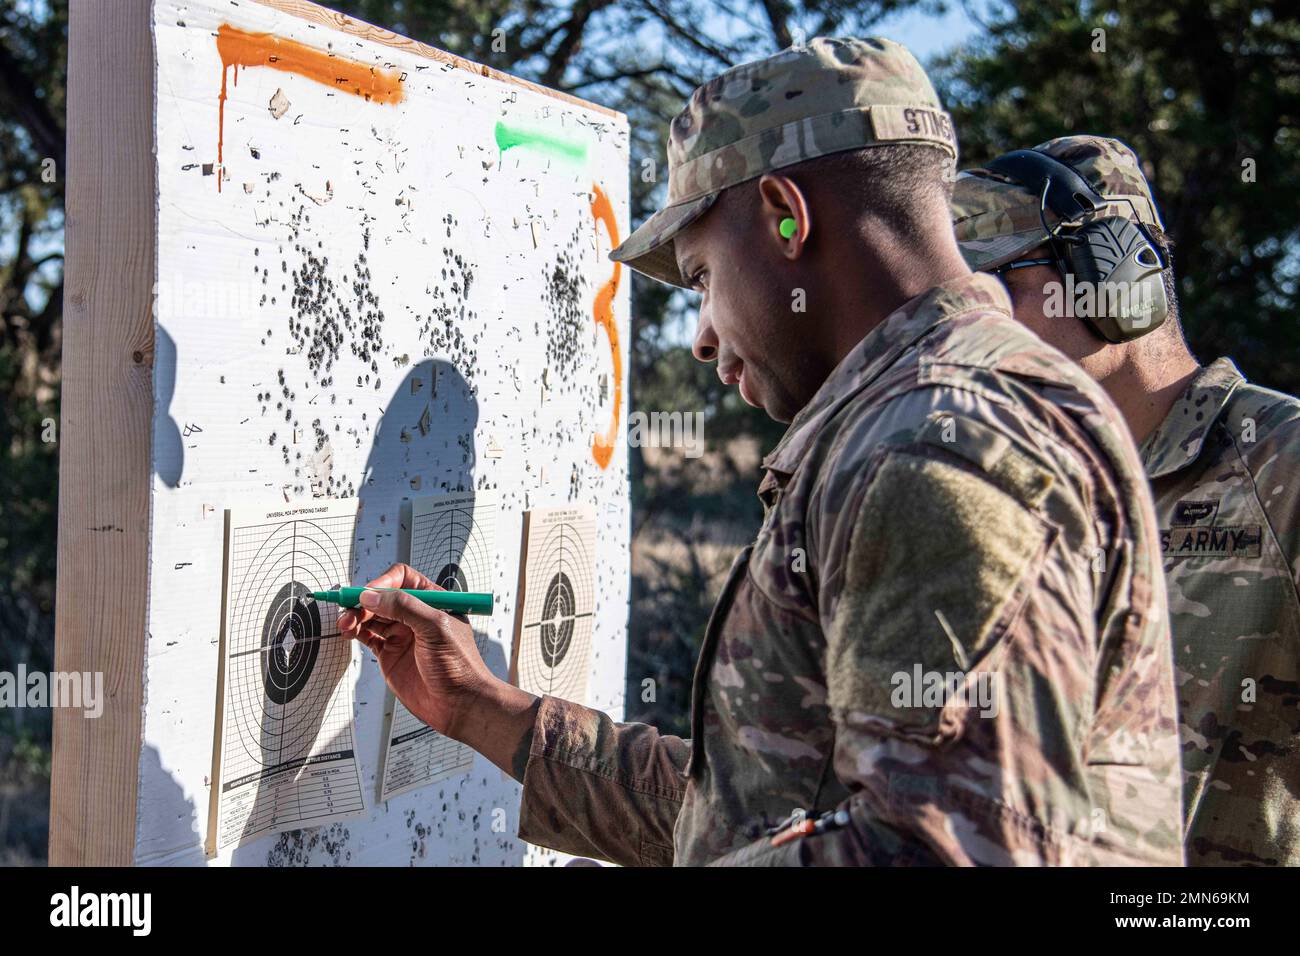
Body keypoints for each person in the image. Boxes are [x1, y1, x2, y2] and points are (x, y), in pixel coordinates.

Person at [342, 40, 1183, 866]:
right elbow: (775, 811)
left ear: (787, 215)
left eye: (703, 276)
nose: (702, 338)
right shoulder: (922, 413)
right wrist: (483, 710)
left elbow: (944, 848)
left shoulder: (938, 441)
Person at [951, 134, 1300, 866]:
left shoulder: (1283, 466)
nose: (969, 325)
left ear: (1115, 274)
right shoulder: (1020, 498)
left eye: (996, 284)